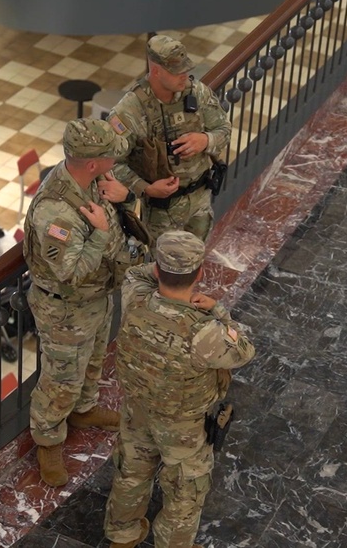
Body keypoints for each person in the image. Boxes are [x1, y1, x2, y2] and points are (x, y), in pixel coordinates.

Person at [104, 231, 255, 548]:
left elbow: (135, 272)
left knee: (131, 471)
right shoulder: (206, 331)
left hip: (137, 408)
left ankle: (122, 534)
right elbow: (243, 352)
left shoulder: (135, 295)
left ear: (157, 270)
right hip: (183, 424)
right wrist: (217, 310)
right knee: (186, 489)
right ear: (200, 273)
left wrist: (162, 266)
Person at [23, 118, 134, 487]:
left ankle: (84, 411)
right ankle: (48, 439)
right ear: (91, 163)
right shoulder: (56, 211)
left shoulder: (87, 180)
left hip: (96, 299)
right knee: (61, 379)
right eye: (108, 156)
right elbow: (71, 272)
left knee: (95, 359)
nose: (114, 160)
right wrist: (101, 234)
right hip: (66, 309)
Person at [107, 35, 231, 243]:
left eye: (186, 69)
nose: (185, 76)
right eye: (177, 72)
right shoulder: (130, 110)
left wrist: (206, 140)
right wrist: (145, 188)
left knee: (195, 259)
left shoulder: (197, 92)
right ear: (156, 70)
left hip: (200, 199)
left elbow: (223, 128)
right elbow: (111, 163)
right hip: (162, 214)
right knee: (163, 270)